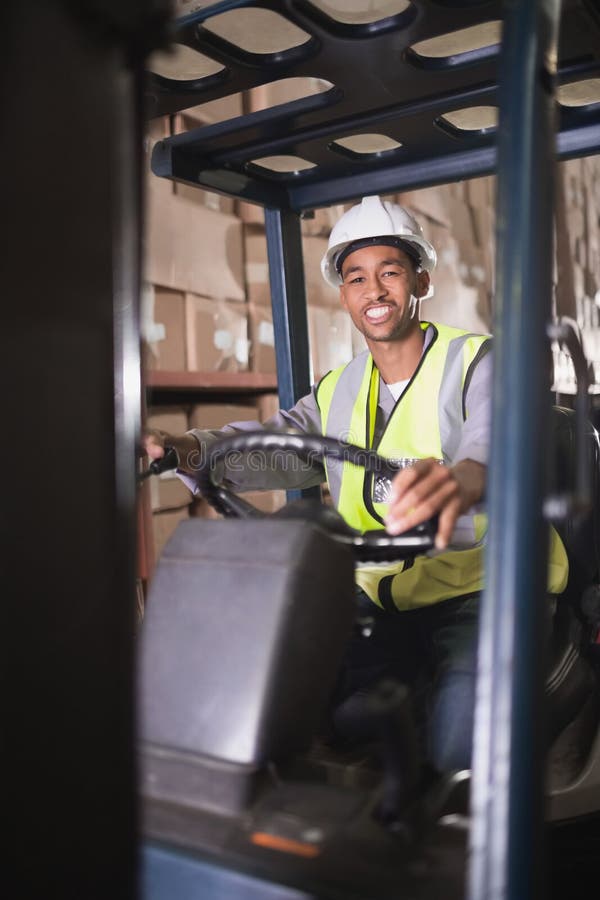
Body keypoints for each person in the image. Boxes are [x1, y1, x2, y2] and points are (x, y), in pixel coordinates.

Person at [144, 195, 568, 773]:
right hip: (380, 599)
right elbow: (273, 449)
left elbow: (502, 430)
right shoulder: (338, 387)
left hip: (484, 592)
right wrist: (184, 450)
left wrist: (467, 478)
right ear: (343, 294)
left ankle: (455, 838)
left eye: (390, 272)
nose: (374, 291)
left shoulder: (476, 361)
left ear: (420, 278)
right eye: (356, 278)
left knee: (457, 754)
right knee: (308, 724)